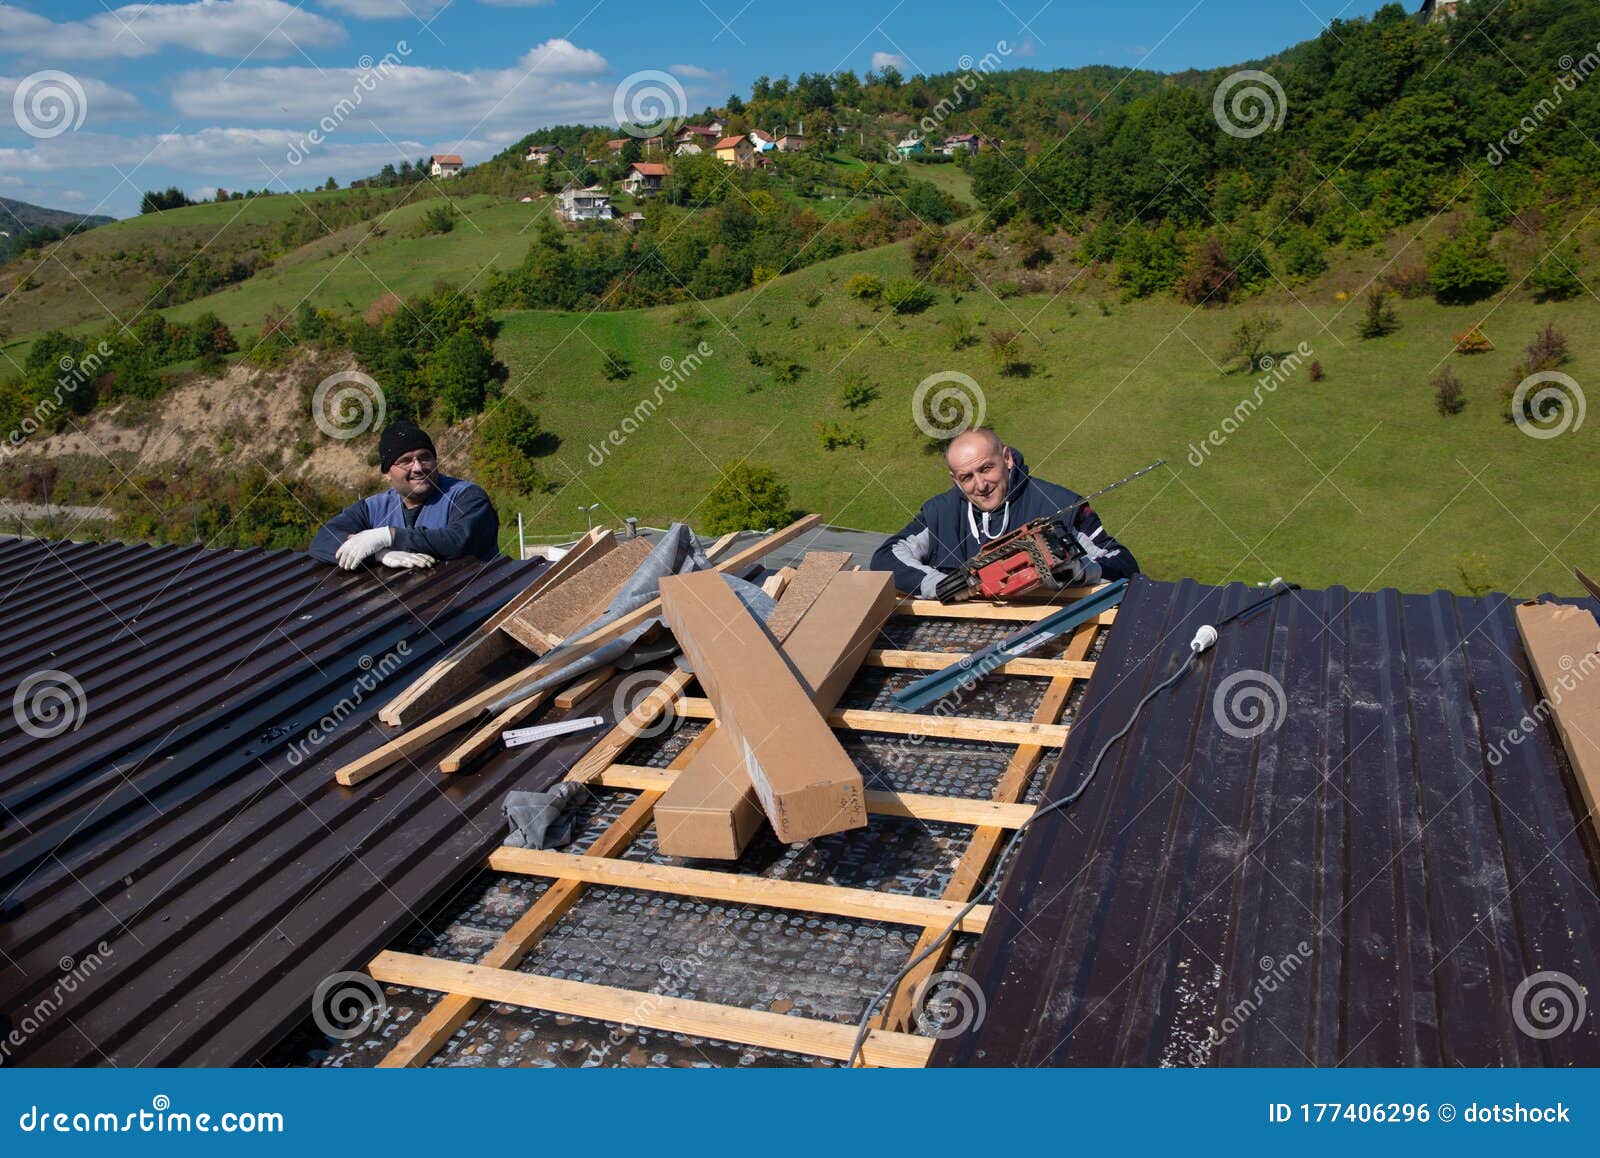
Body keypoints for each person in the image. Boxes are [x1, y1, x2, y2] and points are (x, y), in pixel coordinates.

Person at [871, 427, 1140, 598]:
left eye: (987, 468)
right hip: (968, 642)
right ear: (954, 480)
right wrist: (942, 585)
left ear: (1007, 458)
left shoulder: (1059, 505)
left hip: (1050, 634)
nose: (980, 485)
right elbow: (885, 558)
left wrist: (1080, 571)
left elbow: (1125, 566)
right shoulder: (942, 512)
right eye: (966, 477)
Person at [309, 419, 500, 569]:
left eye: (425, 457)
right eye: (405, 461)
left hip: (479, 606)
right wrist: (379, 554)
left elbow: (459, 540)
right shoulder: (373, 508)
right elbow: (322, 541)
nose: (418, 467)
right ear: (386, 473)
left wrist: (389, 536)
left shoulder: (467, 496)